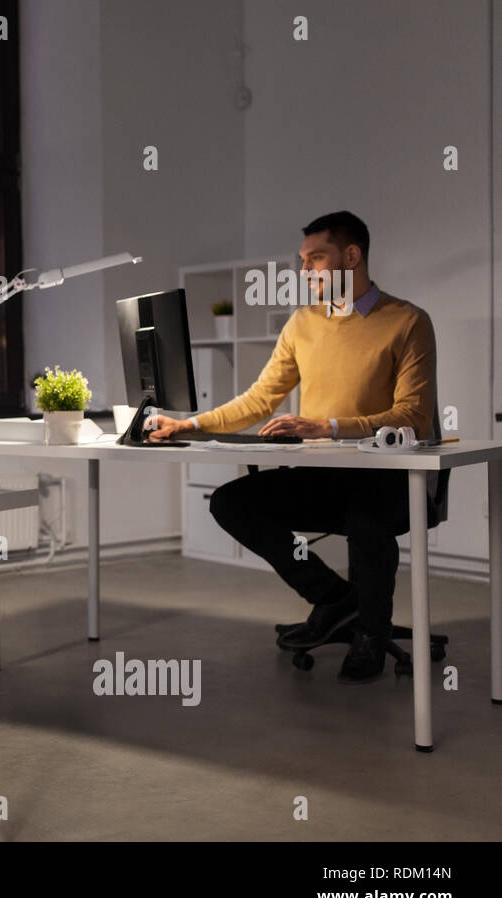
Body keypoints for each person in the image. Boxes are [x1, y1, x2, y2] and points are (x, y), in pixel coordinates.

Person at [147, 211, 439, 683]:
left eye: (315, 259)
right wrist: (190, 423)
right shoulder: (302, 324)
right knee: (231, 503)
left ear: (351, 255)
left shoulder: (408, 322)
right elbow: (260, 399)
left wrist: (326, 425)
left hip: (387, 477)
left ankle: (370, 631)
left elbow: (413, 416)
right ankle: (333, 597)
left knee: (368, 522)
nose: (304, 271)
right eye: (302, 260)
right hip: (322, 475)